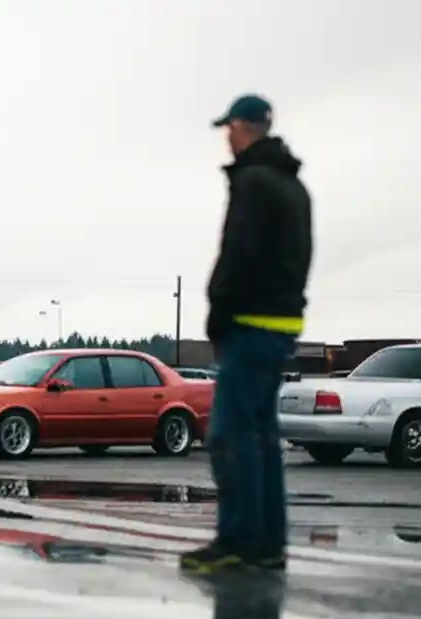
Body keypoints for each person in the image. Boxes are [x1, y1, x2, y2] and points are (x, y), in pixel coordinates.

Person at [181, 94, 312, 573]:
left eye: (230, 127)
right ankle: (268, 545)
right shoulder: (293, 187)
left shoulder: (254, 182)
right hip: (280, 325)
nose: (227, 137)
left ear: (245, 125)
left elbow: (238, 253)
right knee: (260, 435)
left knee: (231, 434)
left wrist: (219, 311)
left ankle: (238, 541)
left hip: (250, 323)